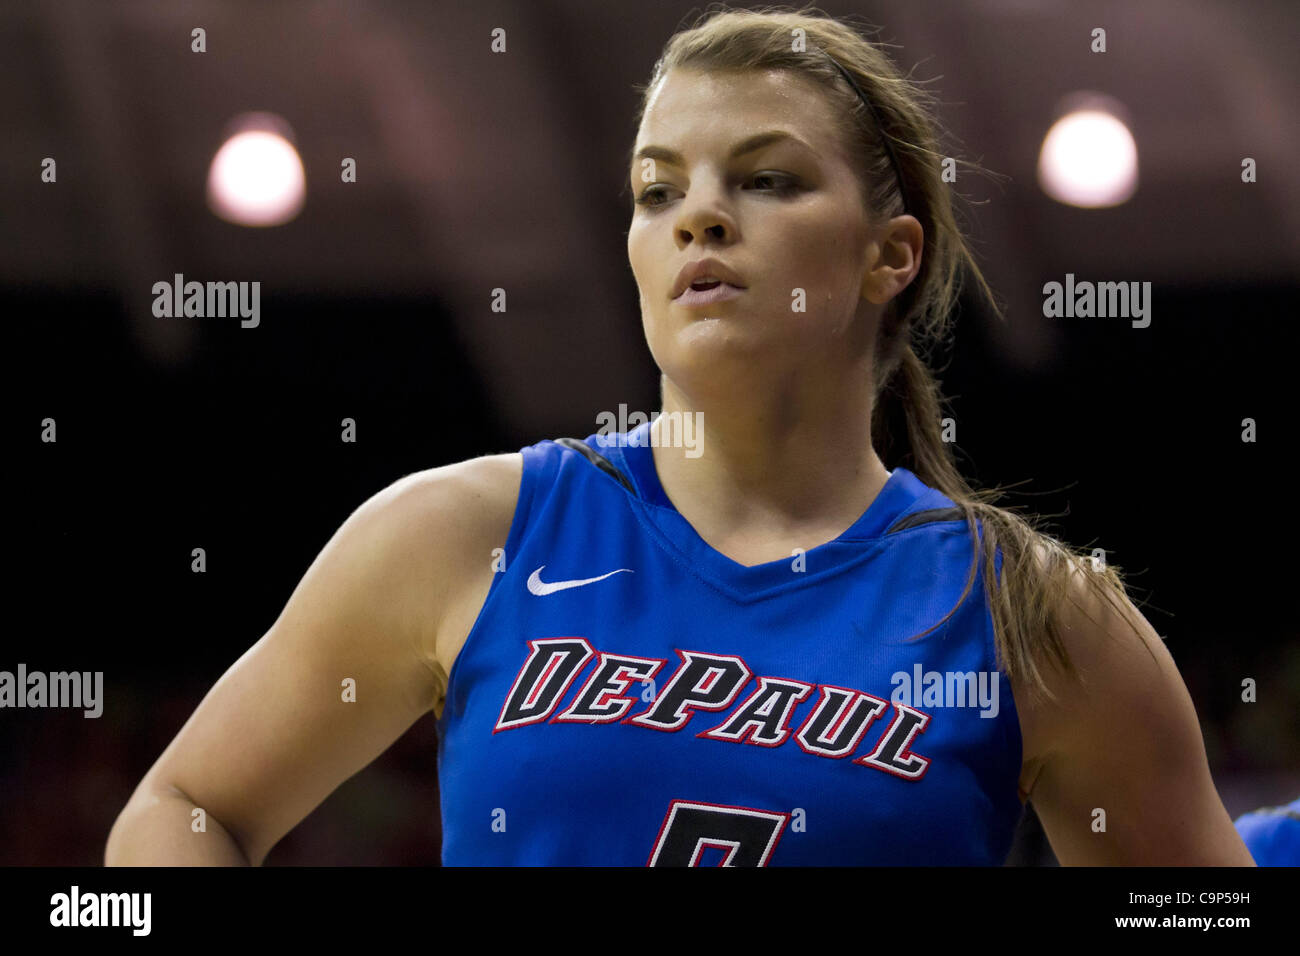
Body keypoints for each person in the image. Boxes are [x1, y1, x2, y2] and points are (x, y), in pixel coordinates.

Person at [105, 4, 1253, 866]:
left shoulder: (1038, 615)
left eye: (763, 178)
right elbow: (183, 810)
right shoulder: (461, 533)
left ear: (888, 255)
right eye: (659, 191)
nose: (697, 213)